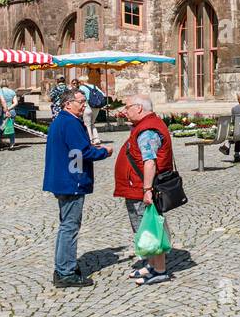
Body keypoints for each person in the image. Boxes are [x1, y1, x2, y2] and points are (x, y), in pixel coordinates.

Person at [42, 88, 112, 288]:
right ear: (67, 104)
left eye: (84, 102)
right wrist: (104, 152)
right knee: (69, 227)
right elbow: (80, 153)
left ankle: (63, 267)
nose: (84, 106)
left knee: (67, 225)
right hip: (70, 181)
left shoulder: (62, 120)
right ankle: (65, 272)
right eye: (80, 102)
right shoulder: (70, 123)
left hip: (63, 179)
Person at [114, 94, 174, 285]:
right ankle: (151, 265)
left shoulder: (148, 130)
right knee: (144, 226)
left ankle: (160, 270)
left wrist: (147, 189)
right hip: (136, 186)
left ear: (139, 108)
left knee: (150, 228)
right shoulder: (145, 125)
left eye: (127, 107)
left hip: (143, 188)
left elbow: (150, 162)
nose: (125, 111)